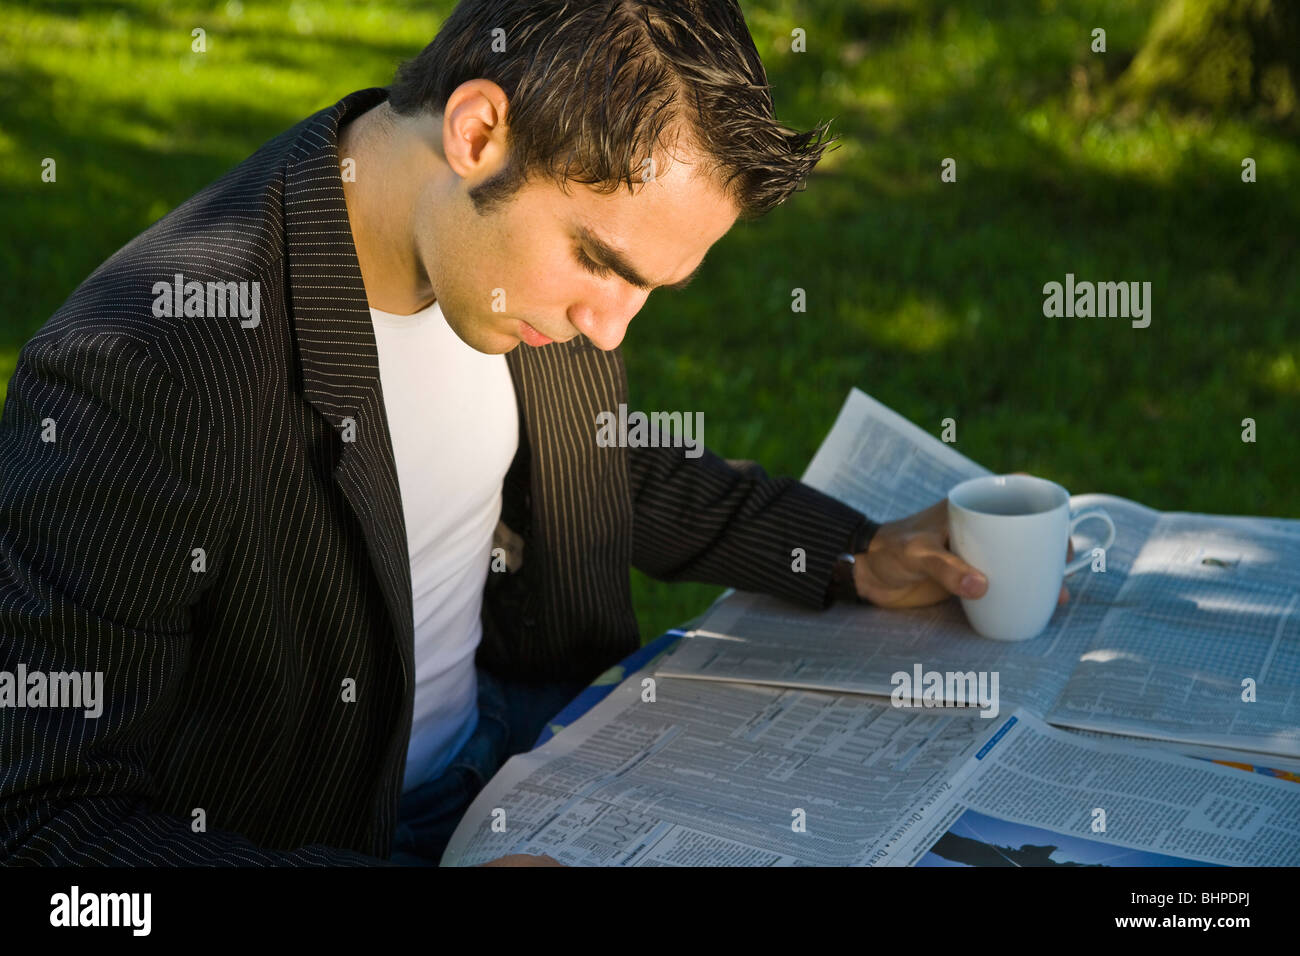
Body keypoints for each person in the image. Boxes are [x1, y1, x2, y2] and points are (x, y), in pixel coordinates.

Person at [0, 0, 1029, 867]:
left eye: (649, 287)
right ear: (478, 133)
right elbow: (47, 821)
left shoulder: (501, 263)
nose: (610, 326)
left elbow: (598, 462)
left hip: (525, 761)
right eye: (603, 262)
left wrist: (855, 551)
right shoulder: (141, 374)